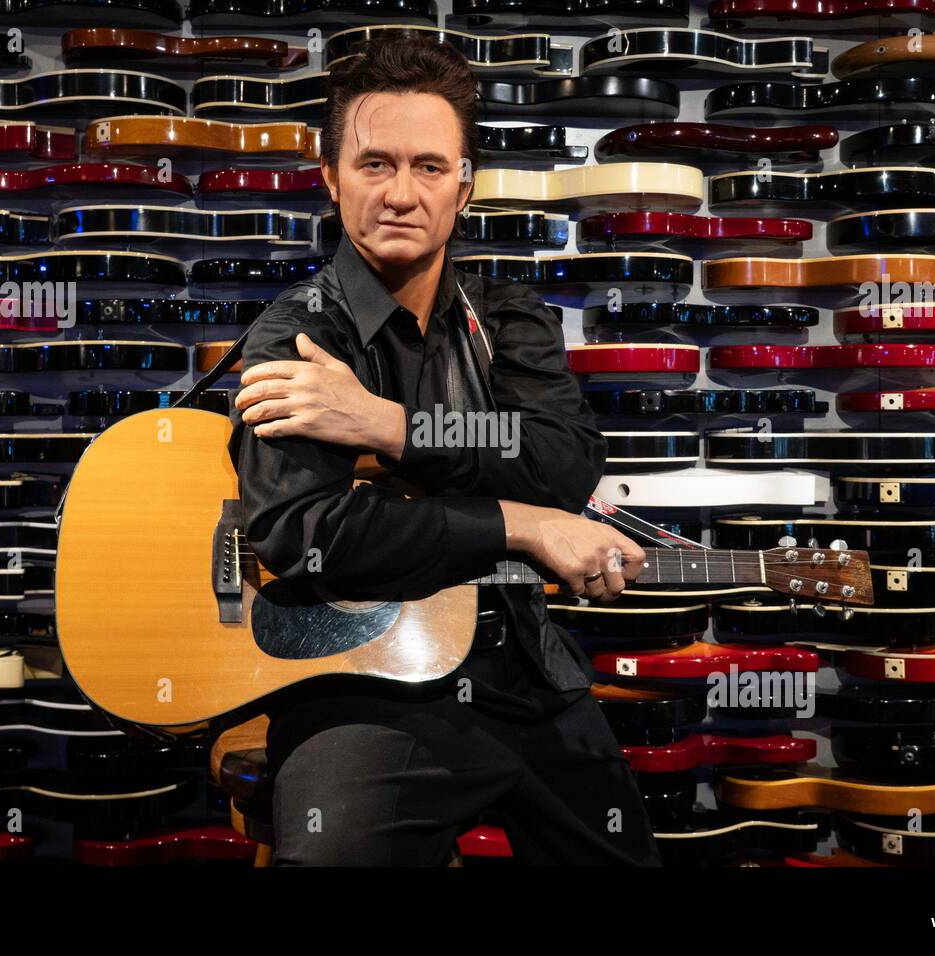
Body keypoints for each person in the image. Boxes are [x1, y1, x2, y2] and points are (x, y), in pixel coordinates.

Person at [226, 36, 662, 866]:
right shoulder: (298, 334)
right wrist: (519, 526)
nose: (400, 194)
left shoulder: (509, 316)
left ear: (463, 186)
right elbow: (307, 536)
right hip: (362, 683)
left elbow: (563, 462)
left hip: (527, 670)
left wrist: (393, 428)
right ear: (330, 178)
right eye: (374, 165)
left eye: (429, 167)